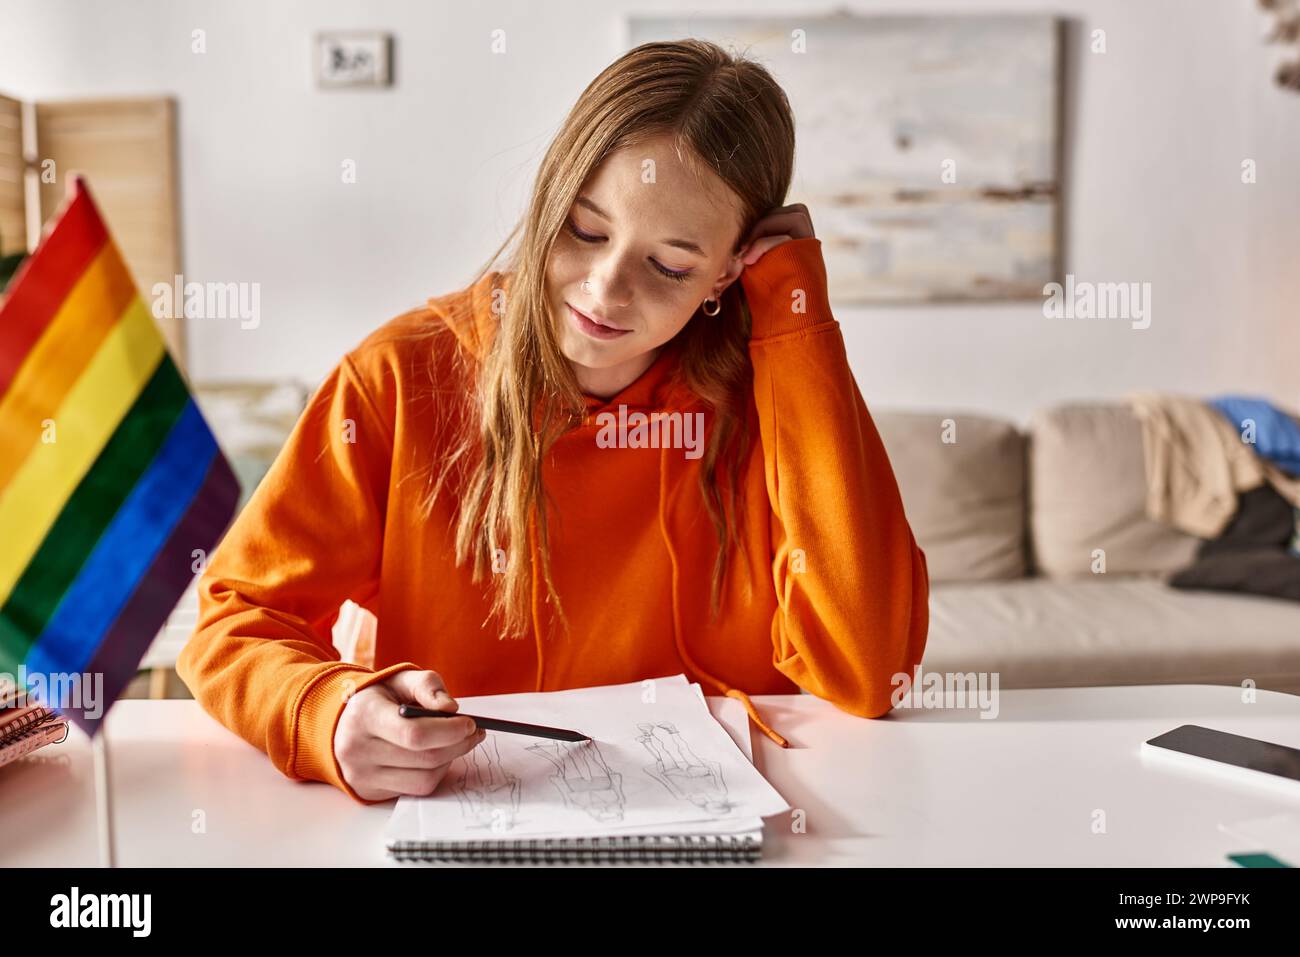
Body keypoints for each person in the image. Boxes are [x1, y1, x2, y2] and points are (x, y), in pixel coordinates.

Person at [177, 38, 930, 804]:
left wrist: (794, 305)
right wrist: (326, 712)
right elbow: (231, 621)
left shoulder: (769, 396)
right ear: (548, 196)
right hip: (463, 827)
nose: (605, 291)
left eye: (670, 265)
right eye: (585, 229)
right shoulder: (396, 380)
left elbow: (869, 670)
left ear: (728, 270)